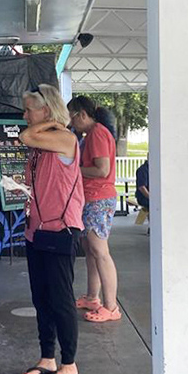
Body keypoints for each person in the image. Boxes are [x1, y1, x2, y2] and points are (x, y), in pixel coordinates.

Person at [19, 84, 85, 374]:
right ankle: (47, 358)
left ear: (45, 110)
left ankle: (68, 362)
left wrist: (55, 122)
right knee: (41, 298)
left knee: (61, 299)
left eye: (30, 109)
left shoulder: (65, 138)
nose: (25, 115)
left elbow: (26, 135)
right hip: (37, 231)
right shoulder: (42, 144)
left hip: (61, 230)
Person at [67, 95, 121, 323]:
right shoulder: (93, 134)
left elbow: (101, 169)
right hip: (91, 197)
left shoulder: (97, 133)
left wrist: (73, 170)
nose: (71, 124)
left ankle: (111, 306)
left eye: (72, 117)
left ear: (81, 114)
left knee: (100, 251)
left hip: (98, 198)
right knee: (90, 250)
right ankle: (92, 297)